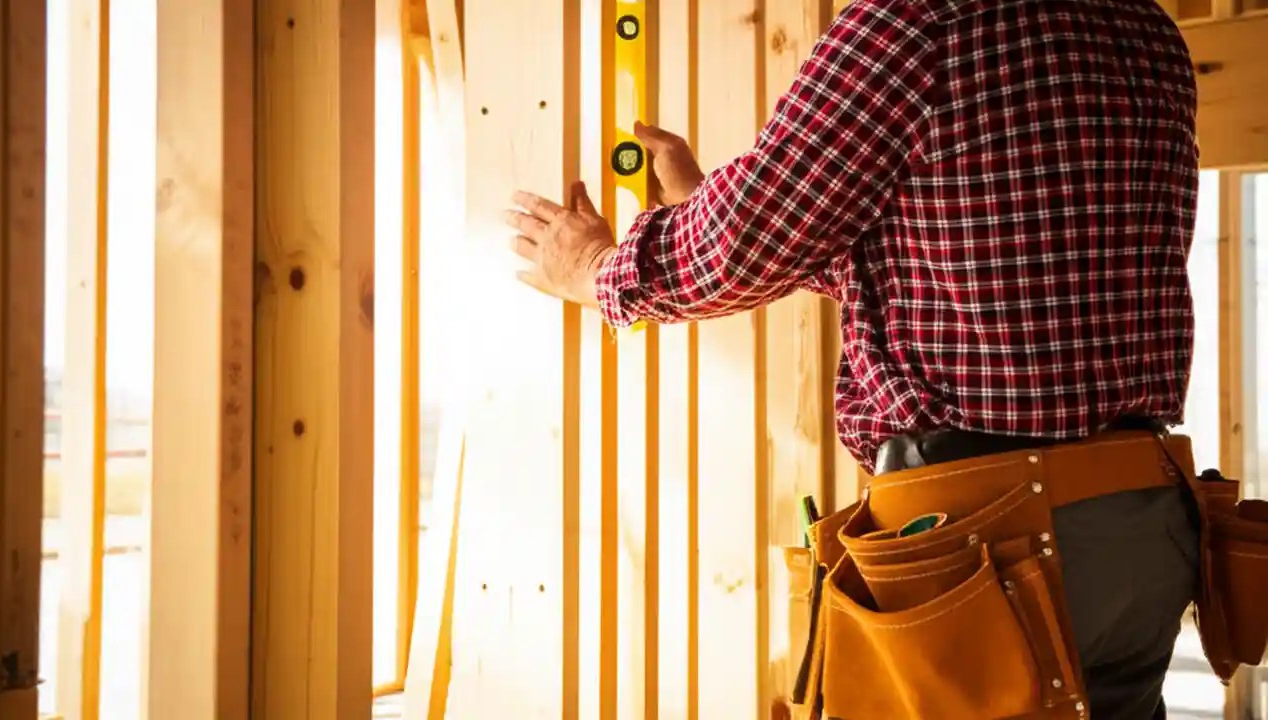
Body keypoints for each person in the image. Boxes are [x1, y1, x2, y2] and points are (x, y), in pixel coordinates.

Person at [504, 0, 1200, 717]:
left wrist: (595, 267)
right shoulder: (1145, 29)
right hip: (1144, 517)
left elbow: (746, 239)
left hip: (982, 541)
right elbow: (933, 266)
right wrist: (708, 206)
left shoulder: (918, 20)